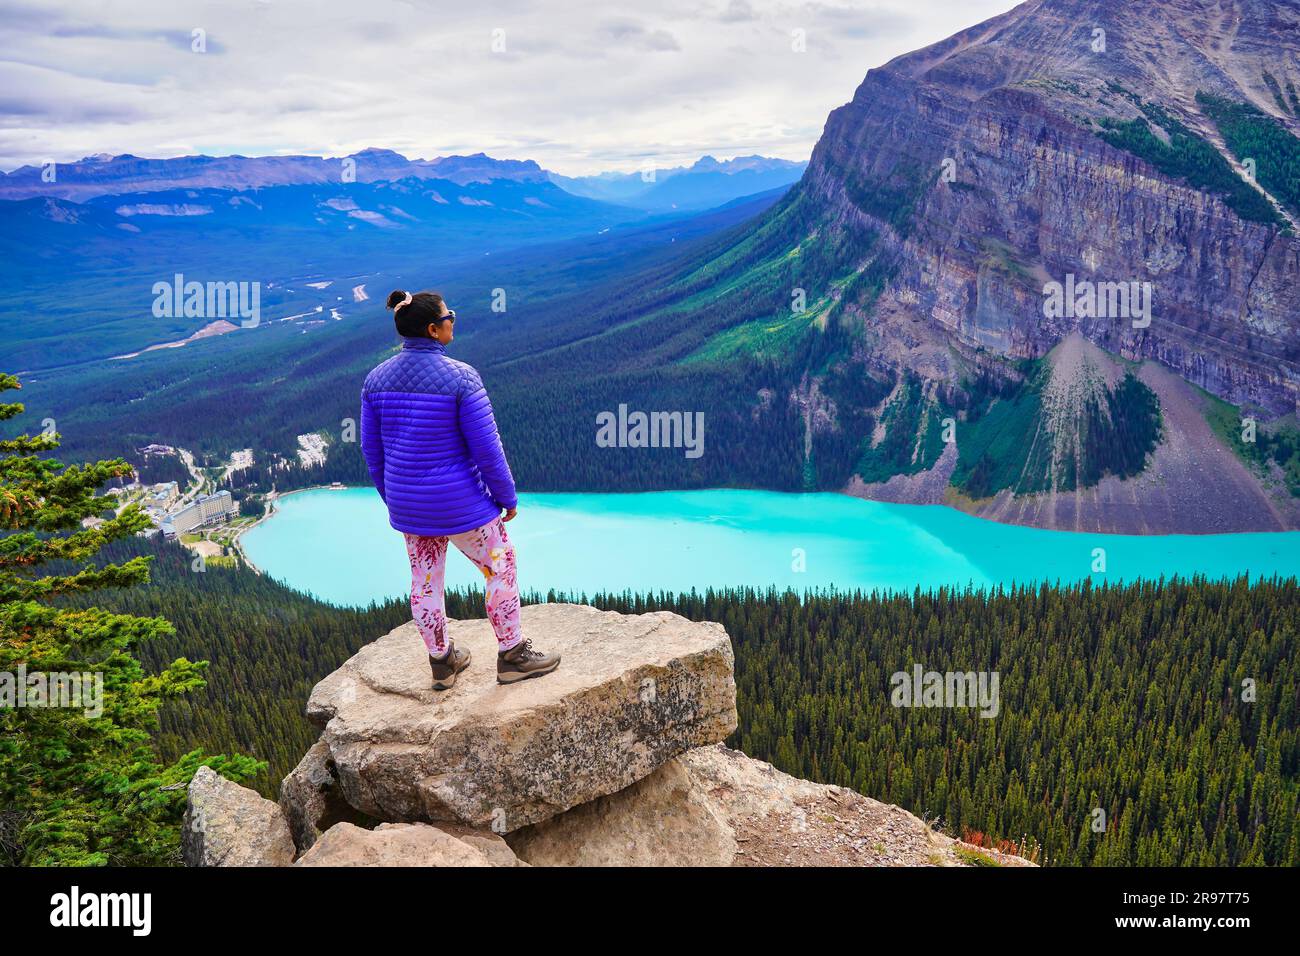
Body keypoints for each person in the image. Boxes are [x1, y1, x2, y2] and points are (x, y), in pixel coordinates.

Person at [359, 289, 560, 690]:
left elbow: (371, 450)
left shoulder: (375, 379)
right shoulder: (462, 377)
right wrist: (507, 498)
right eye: (449, 316)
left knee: (425, 582)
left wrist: (395, 499)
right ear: (434, 330)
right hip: (463, 506)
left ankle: (442, 662)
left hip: (411, 510)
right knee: (499, 566)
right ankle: (512, 655)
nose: (454, 320)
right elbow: (488, 448)